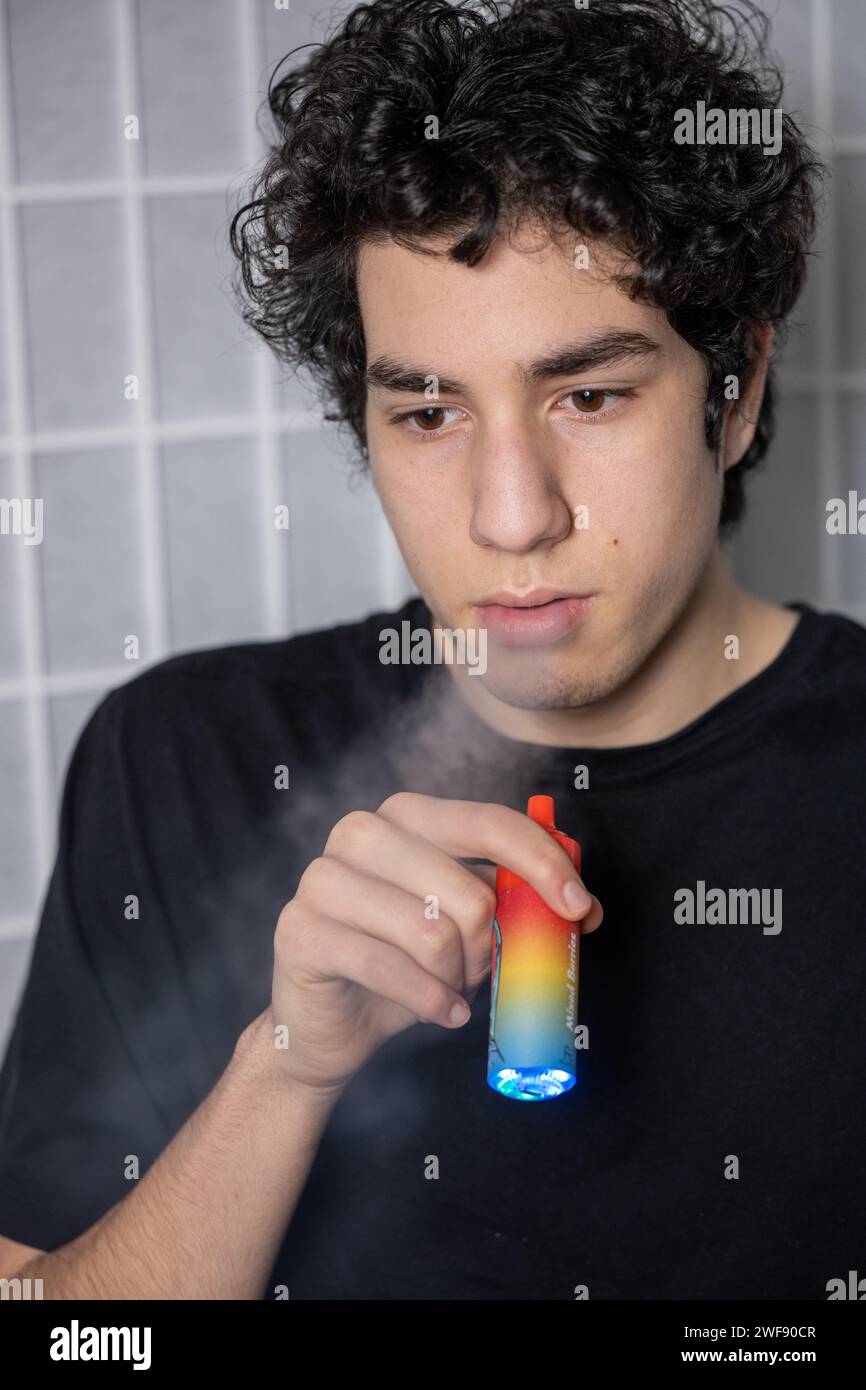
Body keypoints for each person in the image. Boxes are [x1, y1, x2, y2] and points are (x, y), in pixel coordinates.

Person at [0, 0, 862, 1301]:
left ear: (732, 395)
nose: (510, 513)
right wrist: (285, 1065)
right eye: (427, 409)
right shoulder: (179, 753)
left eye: (588, 394)